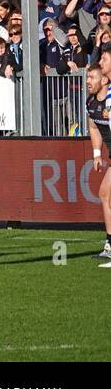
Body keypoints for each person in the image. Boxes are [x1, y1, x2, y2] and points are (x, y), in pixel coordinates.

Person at [87, 68, 111, 264]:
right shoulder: (91, 102)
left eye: (92, 77)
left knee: (106, 194)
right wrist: (96, 153)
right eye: (87, 77)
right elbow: (94, 126)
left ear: (104, 81)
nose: (88, 81)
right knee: (105, 194)